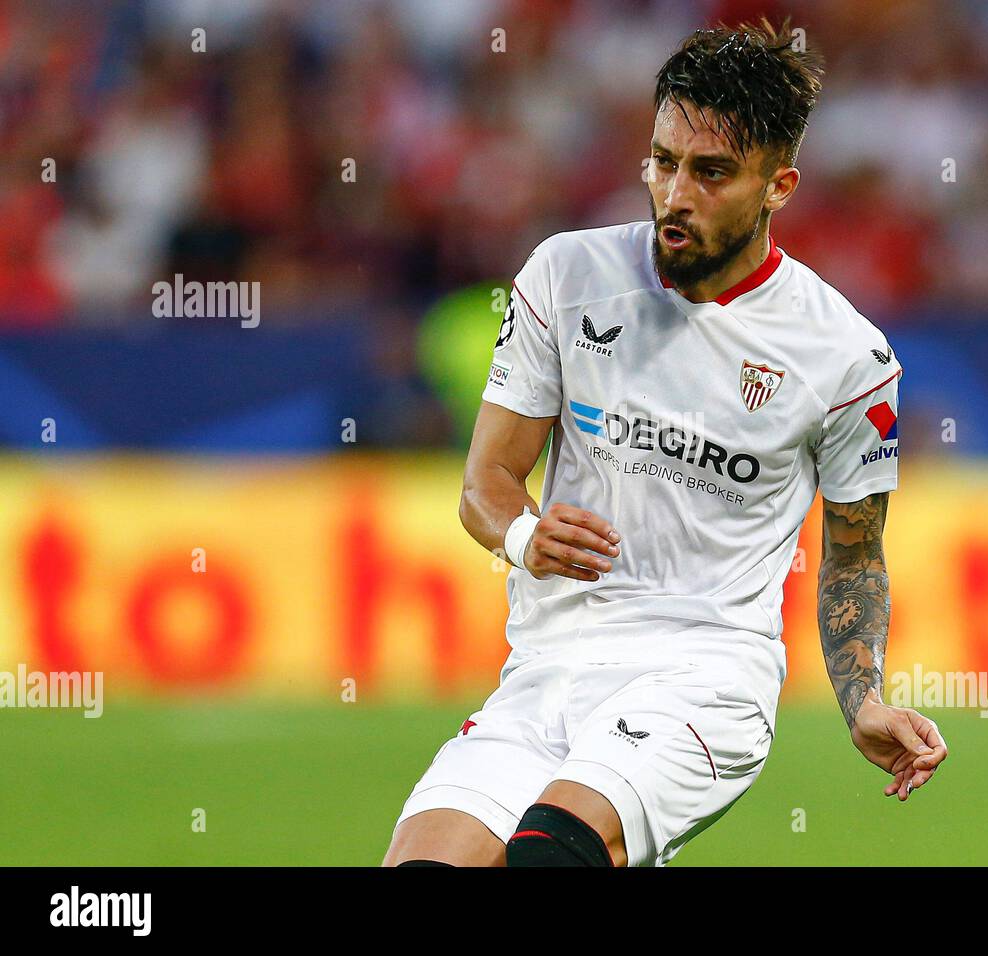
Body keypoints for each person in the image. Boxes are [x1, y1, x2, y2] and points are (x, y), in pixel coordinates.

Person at [384, 17, 947, 868]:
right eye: (662, 161)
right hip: (546, 671)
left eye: (711, 172)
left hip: (706, 679)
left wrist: (862, 698)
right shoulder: (565, 277)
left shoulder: (847, 357)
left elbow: (855, 557)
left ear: (778, 186)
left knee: (549, 854)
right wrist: (528, 537)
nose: (675, 194)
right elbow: (485, 482)